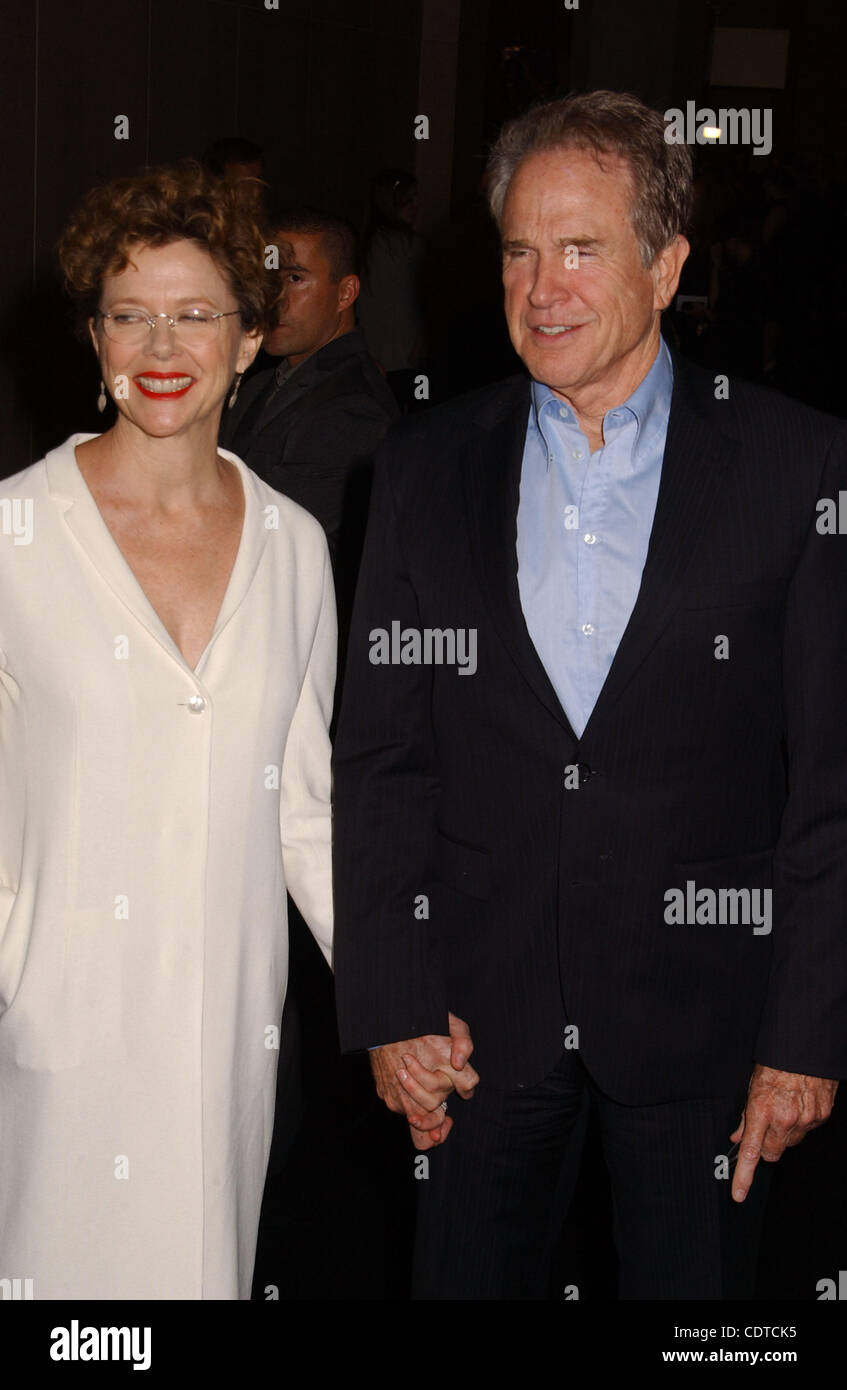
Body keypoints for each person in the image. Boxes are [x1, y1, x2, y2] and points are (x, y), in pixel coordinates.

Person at [332, 90, 847, 1300]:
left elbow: (831, 783)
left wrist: (807, 1033)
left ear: (666, 268)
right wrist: (394, 999)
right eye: (519, 249)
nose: (542, 285)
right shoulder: (420, 467)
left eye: (580, 249)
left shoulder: (796, 465)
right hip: (474, 1024)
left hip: (707, 1027)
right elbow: (383, 759)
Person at [0, 163, 335, 1299]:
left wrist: (400, 1002)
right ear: (94, 338)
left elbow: (305, 813)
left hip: (226, 1049)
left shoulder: (295, 548)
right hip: (57, 1037)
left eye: (197, 314)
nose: (162, 343)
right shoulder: (13, 536)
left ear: (249, 340)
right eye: (131, 313)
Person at [221, 208, 398, 655]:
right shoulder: (264, 380)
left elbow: (272, 554)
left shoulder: (353, 407)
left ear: (346, 293)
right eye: (269, 275)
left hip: (282, 652)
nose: (274, 295)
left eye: (296, 278)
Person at [356, 170, 428, 410]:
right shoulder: (394, 247)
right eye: (409, 199)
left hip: (391, 358)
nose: (416, 206)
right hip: (398, 359)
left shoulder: (374, 246)